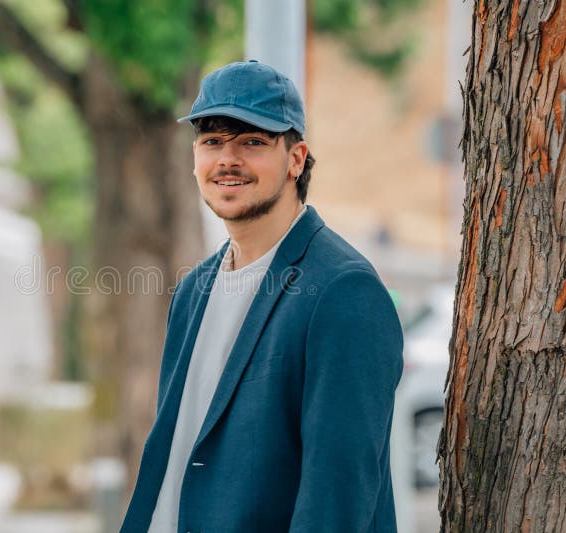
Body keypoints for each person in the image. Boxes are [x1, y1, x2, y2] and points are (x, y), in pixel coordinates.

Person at [120, 60, 404, 533]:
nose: (228, 159)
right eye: (212, 141)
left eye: (252, 142)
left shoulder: (344, 290)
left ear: (296, 159)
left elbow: (337, 494)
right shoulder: (192, 292)